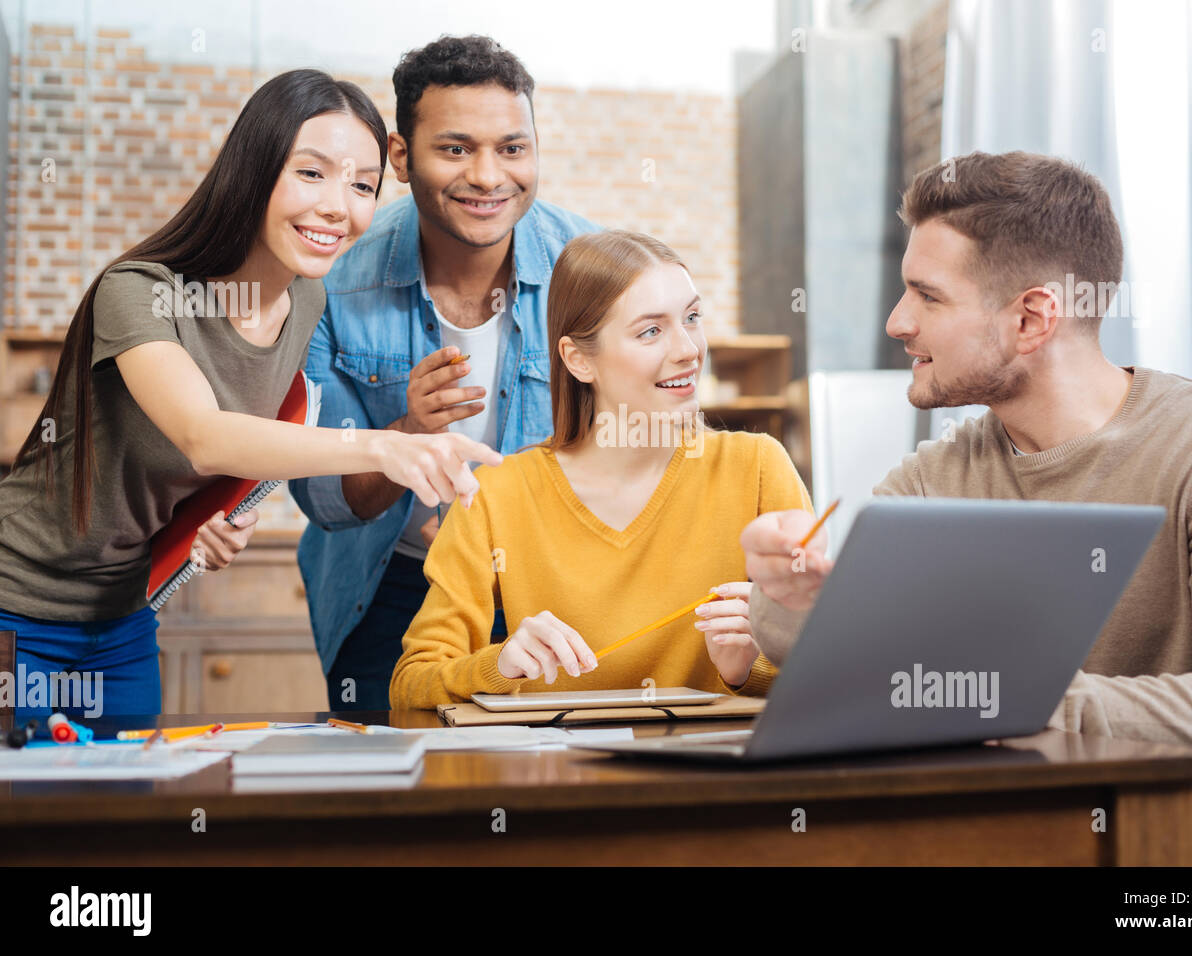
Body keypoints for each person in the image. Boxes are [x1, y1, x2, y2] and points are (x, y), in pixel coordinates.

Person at [740, 150, 1192, 864]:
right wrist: (788, 592)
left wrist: (1018, 705)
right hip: (1024, 845)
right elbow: (814, 649)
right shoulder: (936, 477)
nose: (897, 321)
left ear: (1033, 317)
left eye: (928, 296)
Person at [0, 70, 499, 717]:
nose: (337, 207)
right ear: (254, 169)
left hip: (121, 620)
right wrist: (386, 447)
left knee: (119, 814)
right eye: (312, 173)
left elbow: (209, 459)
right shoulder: (142, 291)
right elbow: (202, 435)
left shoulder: (305, 300)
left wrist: (192, 522)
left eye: (362, 185)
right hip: (16, 605)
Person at [288, 36, 599, 711]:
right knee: (397, 801)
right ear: (400, 157)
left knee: (555, 795)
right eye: (455, 149)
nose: (488, 176)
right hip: (391, 588)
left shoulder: (594, 271)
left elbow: (645, 443)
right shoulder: (331, 278)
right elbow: (323, 500)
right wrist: (405, 435)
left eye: (512, 149)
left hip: (558, 590)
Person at [389, 230, 813, 708]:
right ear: (578, 359)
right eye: (651, 331)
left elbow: (829, 671)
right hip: (559, 777)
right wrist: (499, 664)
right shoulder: (496, 493)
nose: (689, 349)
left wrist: (746, 671)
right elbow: (411, 685)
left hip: (715, 778)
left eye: (692, 318)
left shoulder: (756, 467)